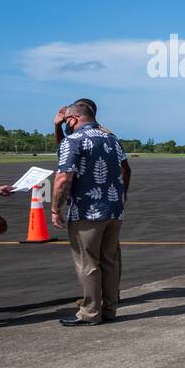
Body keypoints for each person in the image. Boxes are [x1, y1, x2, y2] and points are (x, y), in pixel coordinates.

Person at [50, 99, 131, 326]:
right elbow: (127, 169)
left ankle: (90, 312)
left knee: (87, 263)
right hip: (114, 211)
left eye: (67, 121)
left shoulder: (74, 140)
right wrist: (121, 195)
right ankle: (110, 310)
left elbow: (63, 176)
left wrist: (55, 207)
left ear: (74, 119)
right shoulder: (112, 139)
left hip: (87, 212)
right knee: (110, 261)